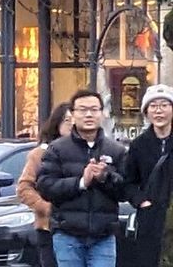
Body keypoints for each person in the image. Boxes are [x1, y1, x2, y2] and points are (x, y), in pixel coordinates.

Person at [36, 89, 126, 267]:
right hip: (67, 234)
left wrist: (105, 177)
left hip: (104, 235)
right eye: (82, 110)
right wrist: (81, 182)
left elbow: (125, 190)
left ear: (102, 113)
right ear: (73, 114)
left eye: (94, 109)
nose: (89, 115)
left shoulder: (116, 150)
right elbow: (45, 186)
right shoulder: (57, 149)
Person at [17, 102, 73, 267]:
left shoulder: (86, 152)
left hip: (79, 228)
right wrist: (46, 207)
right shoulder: (41, 153)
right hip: (49, 227)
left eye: (75, 120)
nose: (72, 125)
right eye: (67, 120)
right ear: (57, 123)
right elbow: (24, 187)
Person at [123, 83, 173, 267]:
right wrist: (142, 201)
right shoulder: (139, 145)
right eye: (153, 106)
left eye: (164, 105)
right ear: (146, 112)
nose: (159, 111)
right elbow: (128, 183)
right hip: (150, 220)